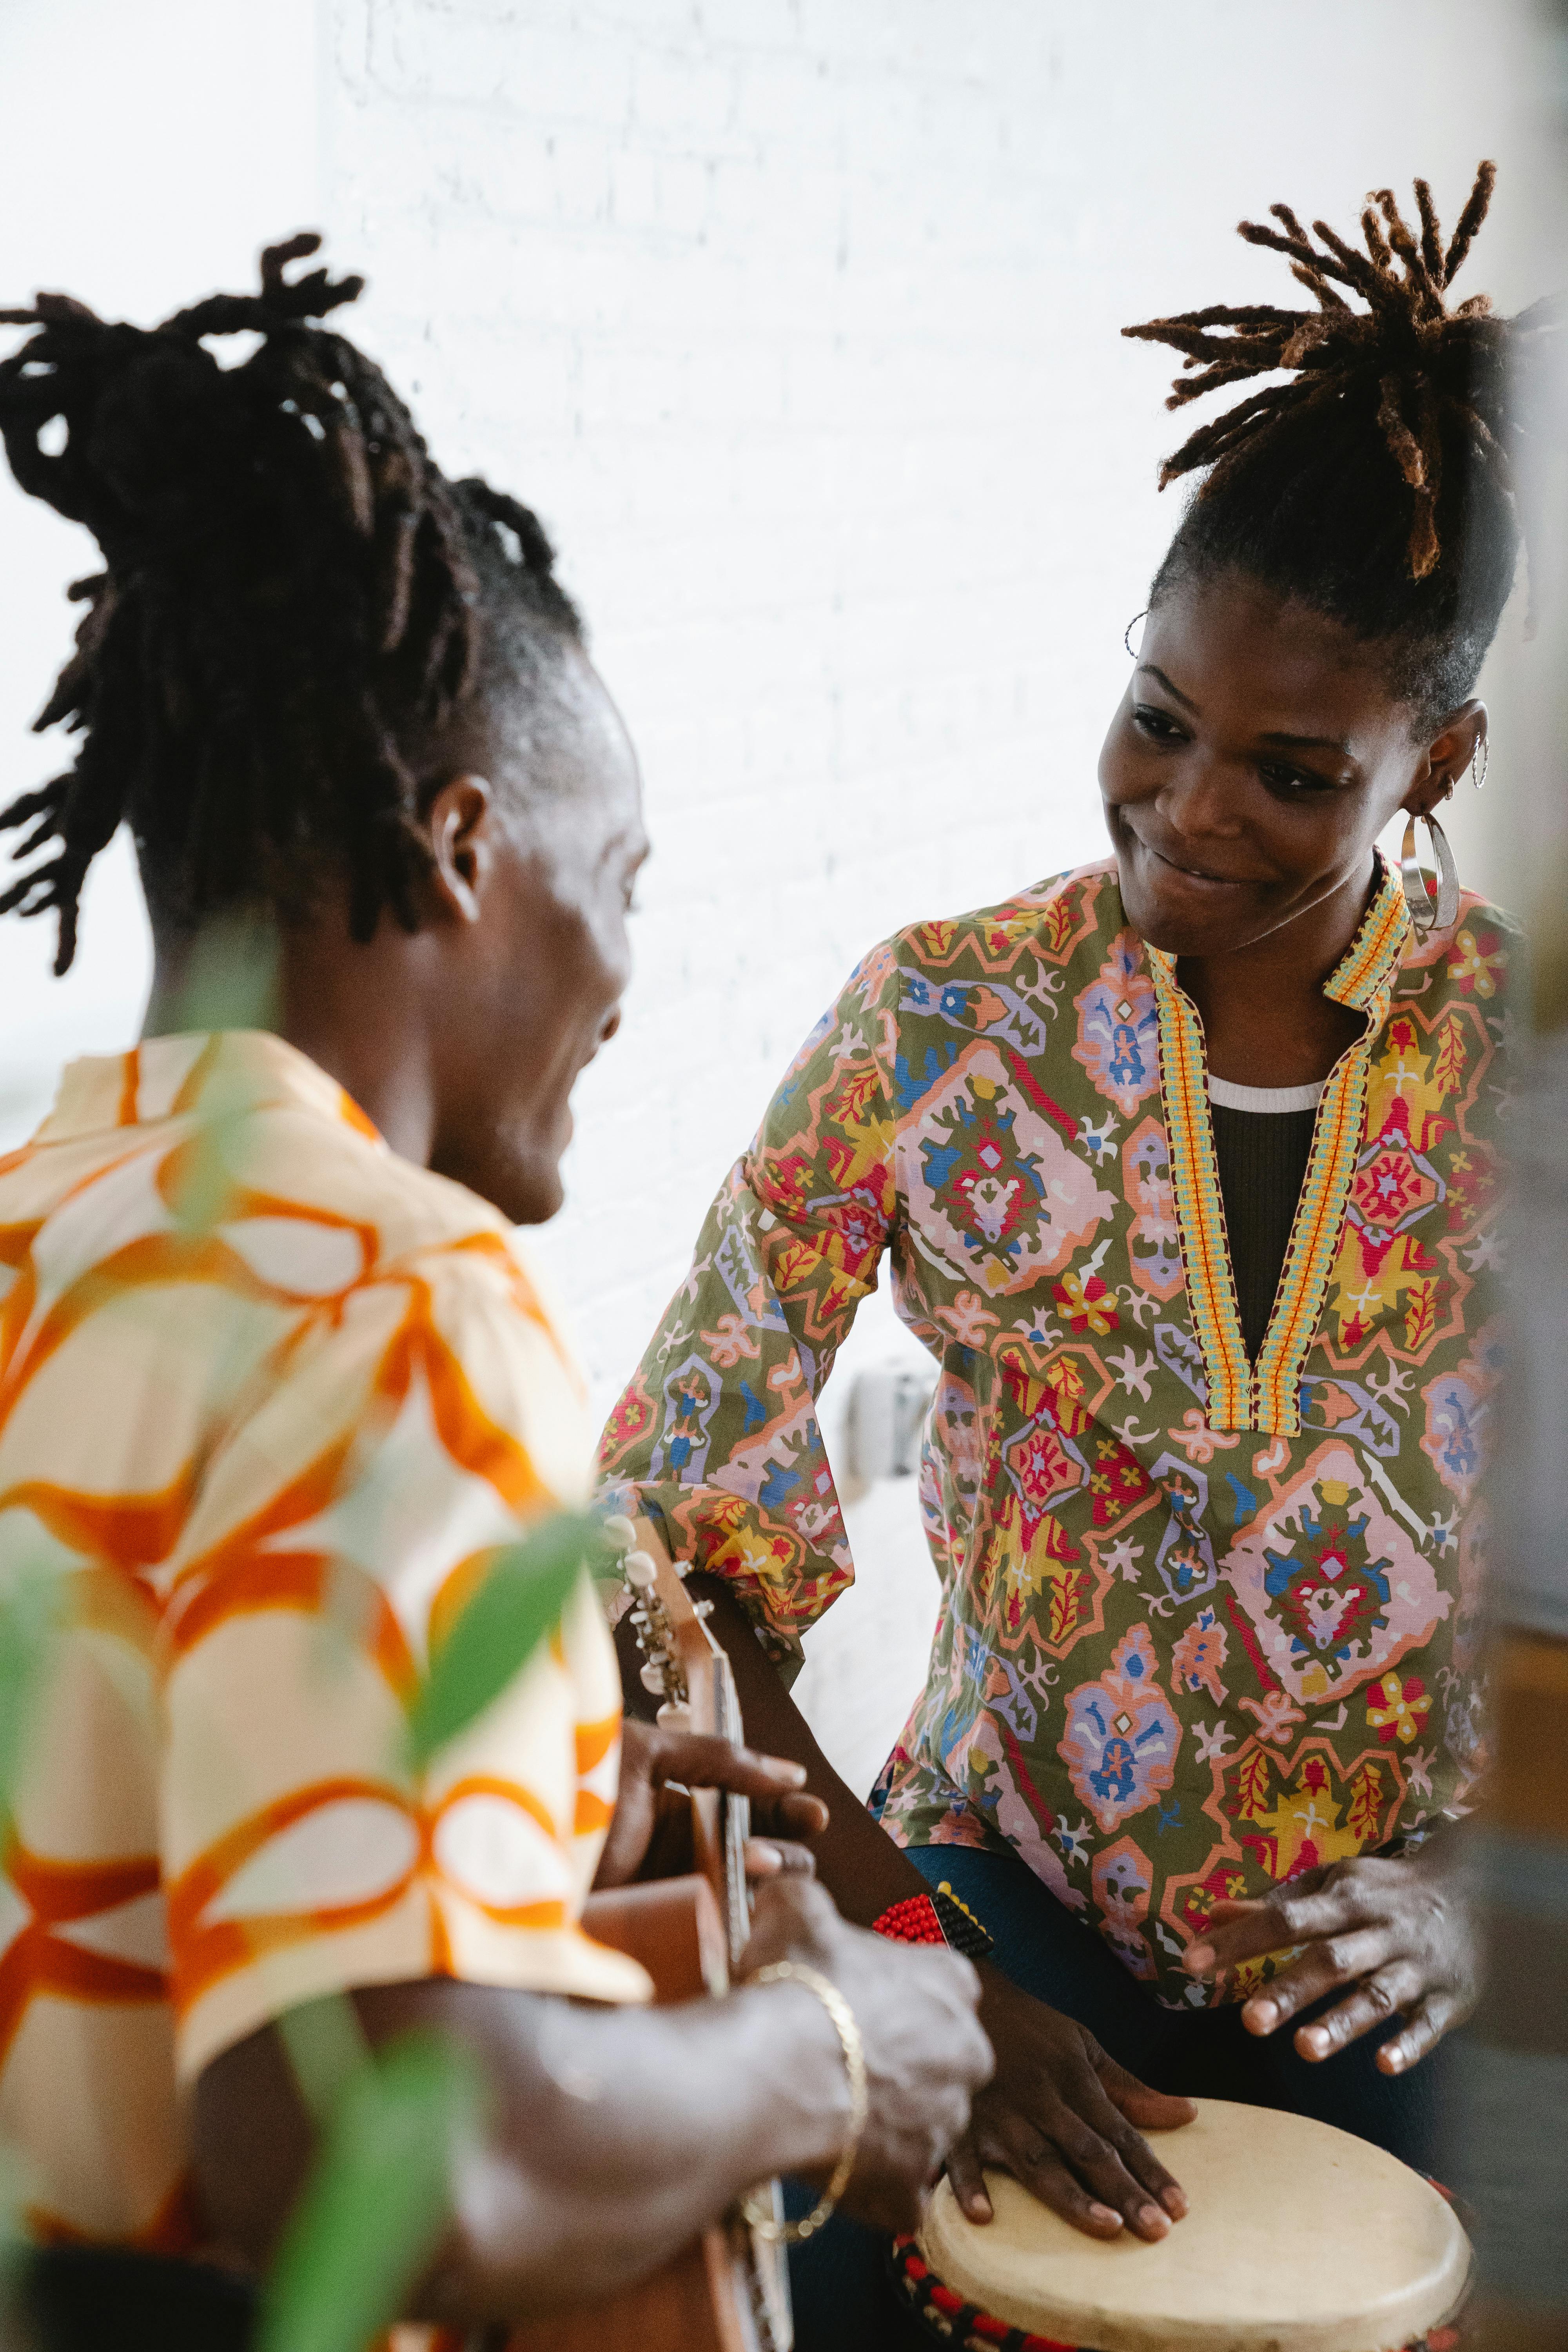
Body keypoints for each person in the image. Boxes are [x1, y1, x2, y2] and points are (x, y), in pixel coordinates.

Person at [0, 239, 991, 2348]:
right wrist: (835, 2050)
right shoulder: (389, 1292)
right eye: (618, 880)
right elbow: (370, 2165)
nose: (628, 981)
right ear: (460, 848)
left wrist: (557, 1806)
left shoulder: (47, 1212)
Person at [602, 165, 1549, 2335]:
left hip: (1371, 1967)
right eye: (1159, 719)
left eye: (1295, 774)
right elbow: (672, 1540)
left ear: (1439, 760)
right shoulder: (938, 1024)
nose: (1191, 811)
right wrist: (907, 1958)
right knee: (835, 2259)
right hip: (991, 1890)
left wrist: (1475, 1907)